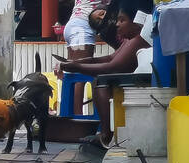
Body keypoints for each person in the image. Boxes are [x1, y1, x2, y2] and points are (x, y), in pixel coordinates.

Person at [58, 8, 152, 146]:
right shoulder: (129, 40)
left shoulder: (138, 39)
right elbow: (109, 58)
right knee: (101, 80)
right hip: (136, 80)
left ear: (136, 22)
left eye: (122, 20)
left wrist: (76, 67)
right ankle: (107, 133)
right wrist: (76, 62)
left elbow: (113, 66)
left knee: (101, 81)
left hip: (143, 83)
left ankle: (106, 135)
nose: (117, 24)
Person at [63, 0, 121, 111]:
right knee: (81, 75)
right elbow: (115, 1)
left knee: (73, 74)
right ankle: (77, 117)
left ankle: (72, 115)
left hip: (73, 26)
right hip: (82, 28)